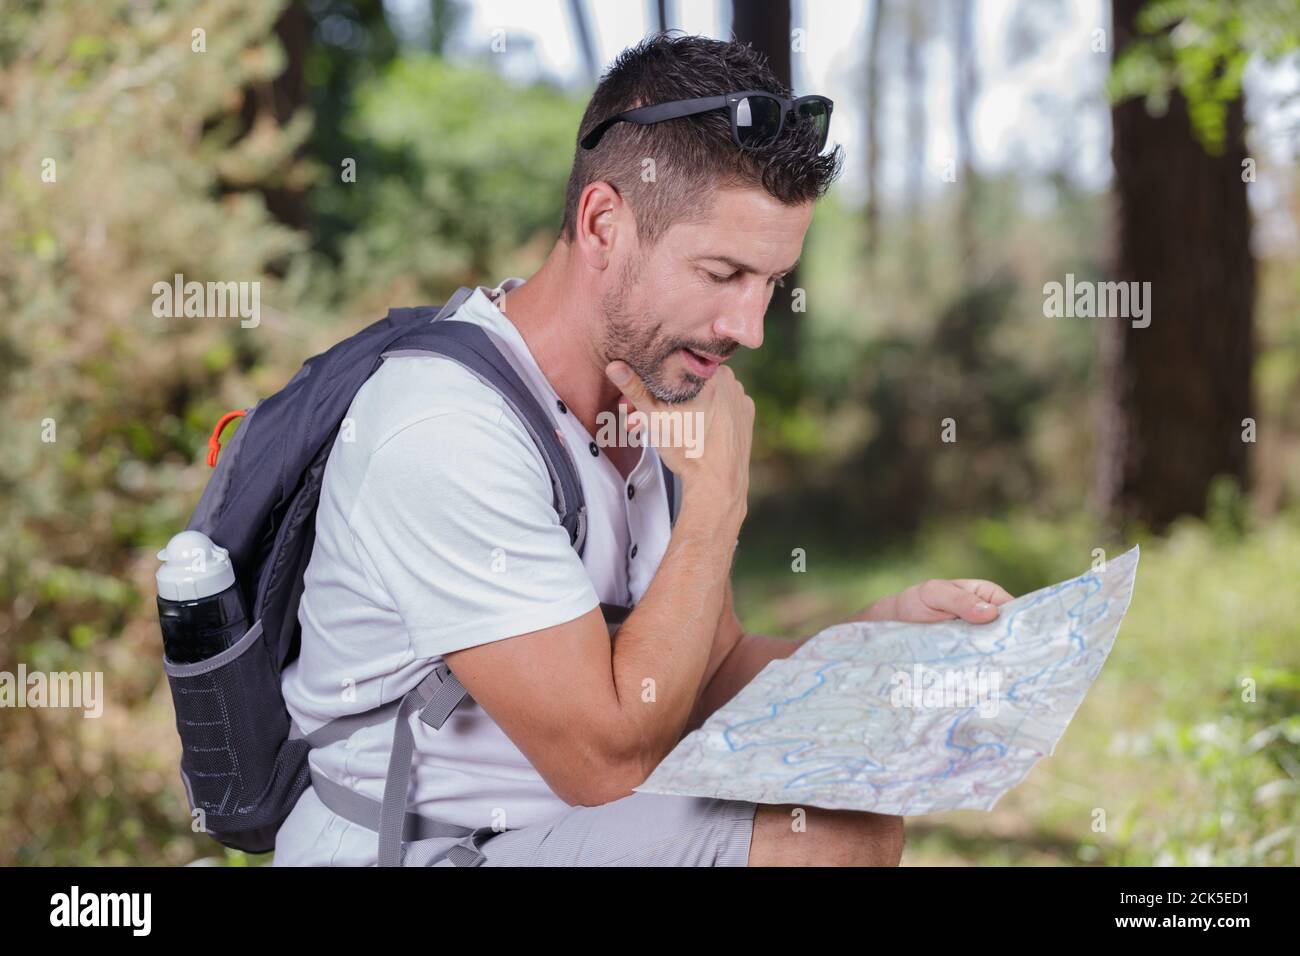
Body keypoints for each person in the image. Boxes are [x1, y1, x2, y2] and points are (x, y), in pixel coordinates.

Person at [273, 32, 1013, 867]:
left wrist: (873, 647)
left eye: (770, 284)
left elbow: (714, 668)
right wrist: (719, 498)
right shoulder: (444, 428)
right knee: (827, 836)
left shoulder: (652, 389)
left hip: (554, 834)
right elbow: (609, 760)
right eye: (722, 273)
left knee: (849, 804)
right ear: (603, 225)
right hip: (419, 850)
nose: (750, 330)